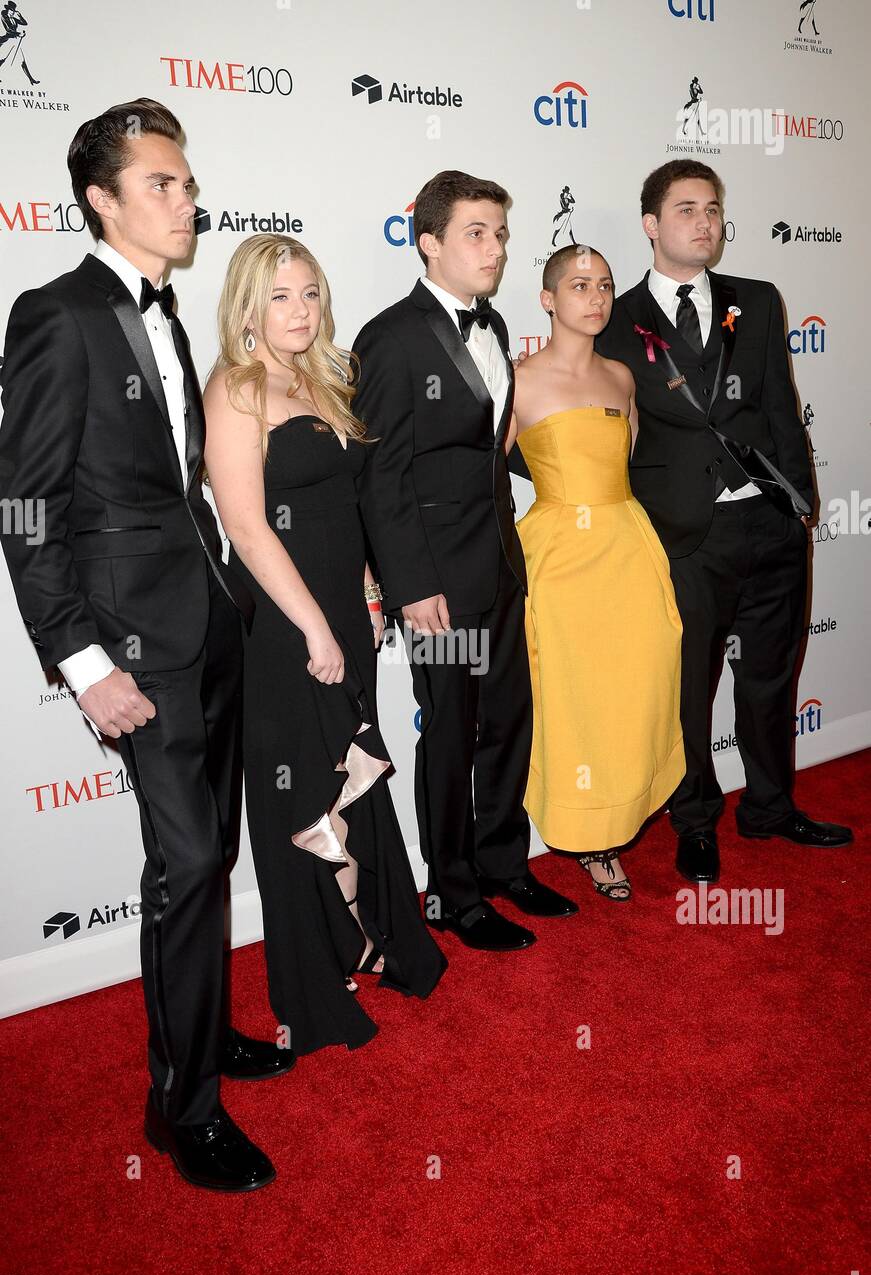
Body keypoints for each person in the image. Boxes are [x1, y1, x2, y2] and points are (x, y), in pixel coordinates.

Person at [0, 99, 293, 1193]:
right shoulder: (57, 313)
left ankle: (203, 1034)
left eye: (186, 180)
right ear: (101, 200)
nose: (187, 198)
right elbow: (24, 506)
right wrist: (83, 664)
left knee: (207, 858)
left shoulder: (167, 317)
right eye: (161, 183)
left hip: (207, 621)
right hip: (132, 647)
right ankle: (183, 1109)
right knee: (184, 864)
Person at [202, 235, 446, 1056]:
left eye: (309, 293)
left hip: (345, 615)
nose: (298, 310)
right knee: (302, 796)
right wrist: (312, 625)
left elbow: (354, 507)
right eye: (278, 297)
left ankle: (359, 937)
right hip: (283, 626)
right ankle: (315, 978)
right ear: (246, 305)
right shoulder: (235, 389)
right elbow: (243, 524)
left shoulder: (322, 378)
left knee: (348, 781)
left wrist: (368, 598)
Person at [595, 159, 852, 882]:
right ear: (650, 225)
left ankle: (770, 808)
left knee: (770, 677)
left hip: (768, 528)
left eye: (711, 209)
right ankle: (694, 819)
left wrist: (797, 505)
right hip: (680, 537)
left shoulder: (757, 300)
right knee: (686, 687)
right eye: (685, 210)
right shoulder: (614, 321)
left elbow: (778, 406)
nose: (703, 222)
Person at [351, 170, 578, 952]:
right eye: (476, 234)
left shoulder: (494, 323)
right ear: (430, 243)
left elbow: (487, 451)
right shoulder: (389, 337)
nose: (495, 249)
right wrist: (411, 587)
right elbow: (380, 477)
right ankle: (450, 892)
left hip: (498, 567)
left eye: (501, 234)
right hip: (438, 586)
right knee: (448, 732)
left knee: (507, 722)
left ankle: (501, 865)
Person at [507, 245, 684, 900]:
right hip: (559, 558)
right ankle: (590, 838)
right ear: (548, 299)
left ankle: (622, 807)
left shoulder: (620, 376)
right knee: (573, 699)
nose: (596, 297)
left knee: (631, 686)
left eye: (605, 285)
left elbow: (625, 458)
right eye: (578, 285)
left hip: (626, 548)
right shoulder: (517, 380)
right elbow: (485, 478)